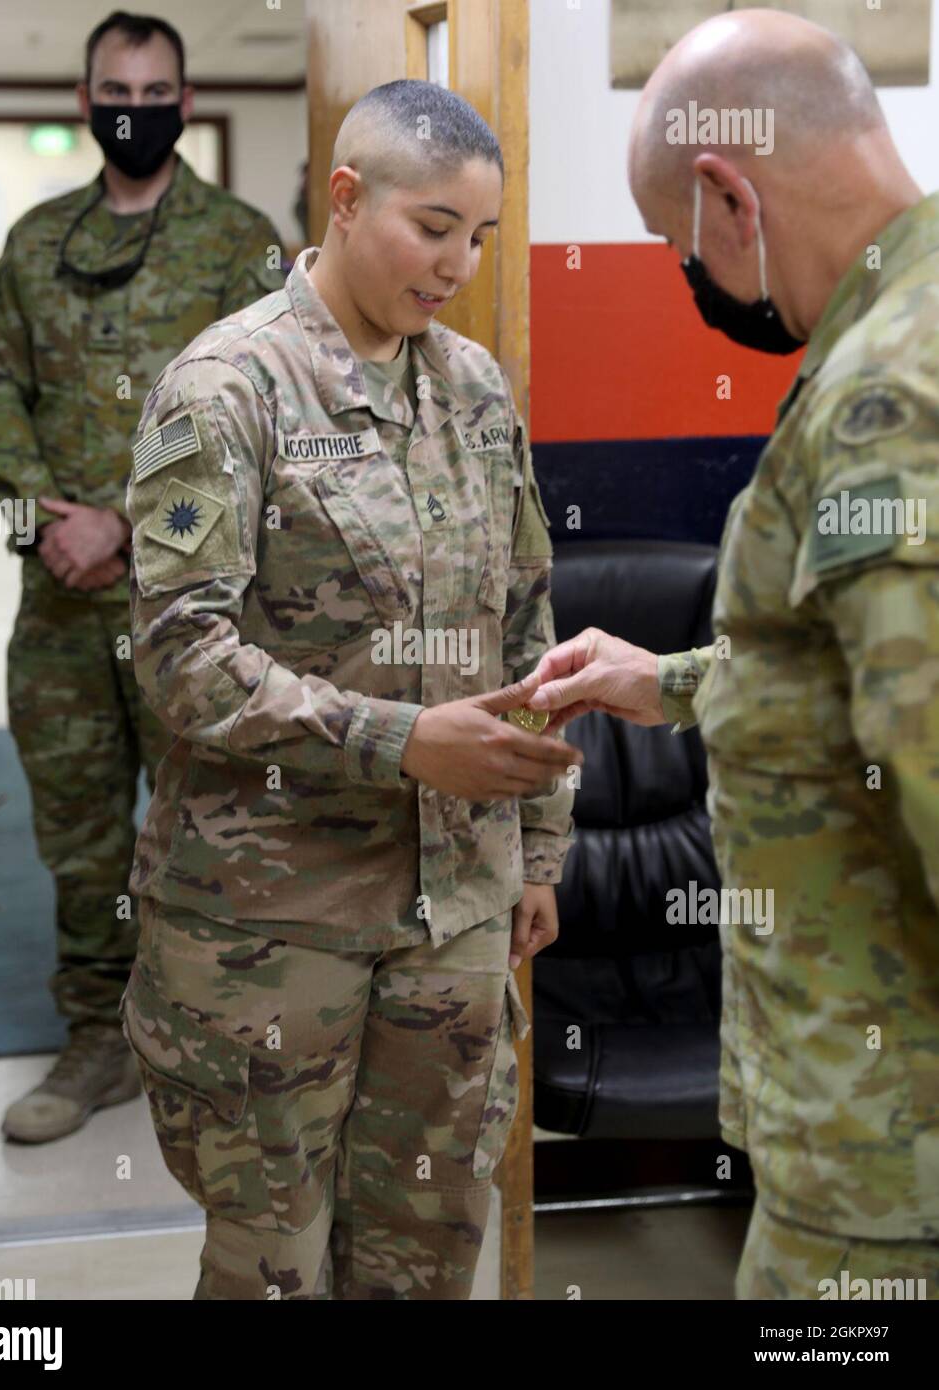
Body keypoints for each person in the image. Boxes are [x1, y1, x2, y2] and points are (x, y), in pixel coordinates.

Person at [121, 78, 578, 1299]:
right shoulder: (218, 392)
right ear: (344, 196)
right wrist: (396, 740)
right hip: (275, 922)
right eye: (432, 229)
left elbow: (523, 618)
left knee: (424, 1256)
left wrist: (536, 849)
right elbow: (178, 651)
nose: (457, 265)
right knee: (274, 1267)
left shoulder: (474, 388)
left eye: (477, 237)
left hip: (456, 914)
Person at [527, 9, 939, 1298]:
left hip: (882, 1162)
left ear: (725, 195)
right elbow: (851, 674)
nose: (683, 275)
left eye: (671, 244)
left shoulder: (885, 396)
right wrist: (667, 684)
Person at [0, 10, 286, 1144]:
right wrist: (41, 517)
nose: (134, 110)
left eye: (156, 93)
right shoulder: (36, 243)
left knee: (211, 823)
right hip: (57, 605)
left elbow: (267, 424)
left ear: (185, 106)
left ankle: (206, 1034)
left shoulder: (241, 243)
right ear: (84, 99)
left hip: (193, 612)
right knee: (83, 834)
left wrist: (128, 527)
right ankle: (96, 1038)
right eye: (116, 89)